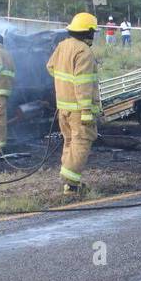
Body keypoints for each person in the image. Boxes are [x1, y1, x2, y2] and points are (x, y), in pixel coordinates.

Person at [46, 13, 100, 195]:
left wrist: (64, 86)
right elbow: (83, 83)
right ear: (88, 32)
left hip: (63, 108)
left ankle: (67, 181)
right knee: (81, 142)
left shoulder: (63, 46)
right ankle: (71, 185)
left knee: (69, 142)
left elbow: (50, 67)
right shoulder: (83, 51)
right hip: (79, 110)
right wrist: (86, 110)